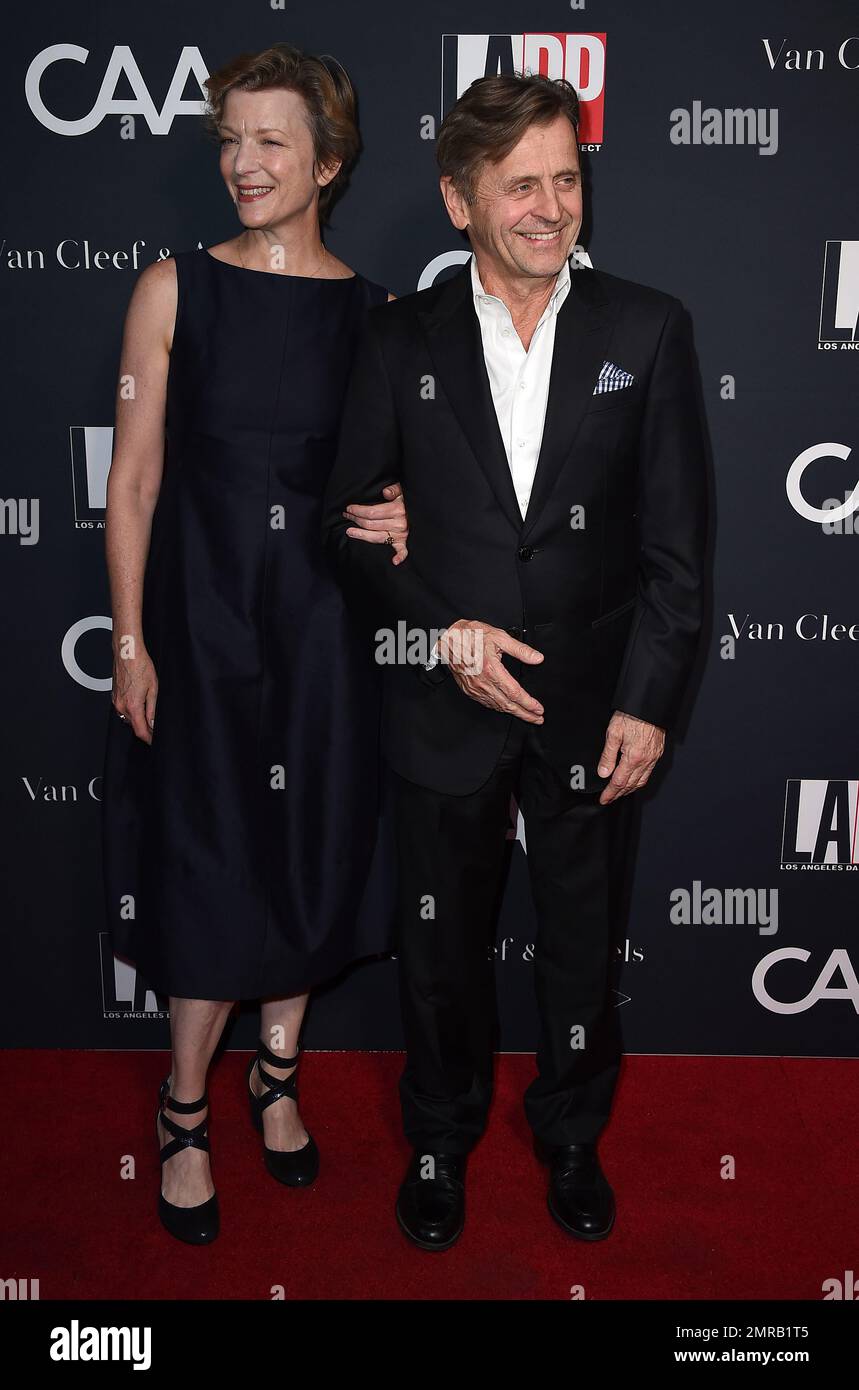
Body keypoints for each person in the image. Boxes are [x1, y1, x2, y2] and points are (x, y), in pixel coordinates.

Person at [323, 72, 708, 1250]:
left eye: (566, 179)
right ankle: (439, 1136)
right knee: (439, 947)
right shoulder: (396, 336)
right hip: (443, 697)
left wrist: (648, 703)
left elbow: (678, 548)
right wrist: (441, 628)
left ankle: (570, 1136)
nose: (550, 206)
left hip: (593, 708)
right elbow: (348, 524)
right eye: (520, 183)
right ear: (458, 199)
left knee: (583, 946)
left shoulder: (647, 328)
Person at [102, 42, 406, 1245]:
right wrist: (129, 640)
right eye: (230, 136)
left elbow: (397, 487)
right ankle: (186, 1106)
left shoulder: (377, 318)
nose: (242, 161)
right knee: (208, 854)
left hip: (327, 634)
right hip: (202, 619)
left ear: (328, 161)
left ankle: (274, 1079)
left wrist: (405, 513)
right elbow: (130, 483)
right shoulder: (173, 289)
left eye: (271, 139)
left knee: (309, 850)